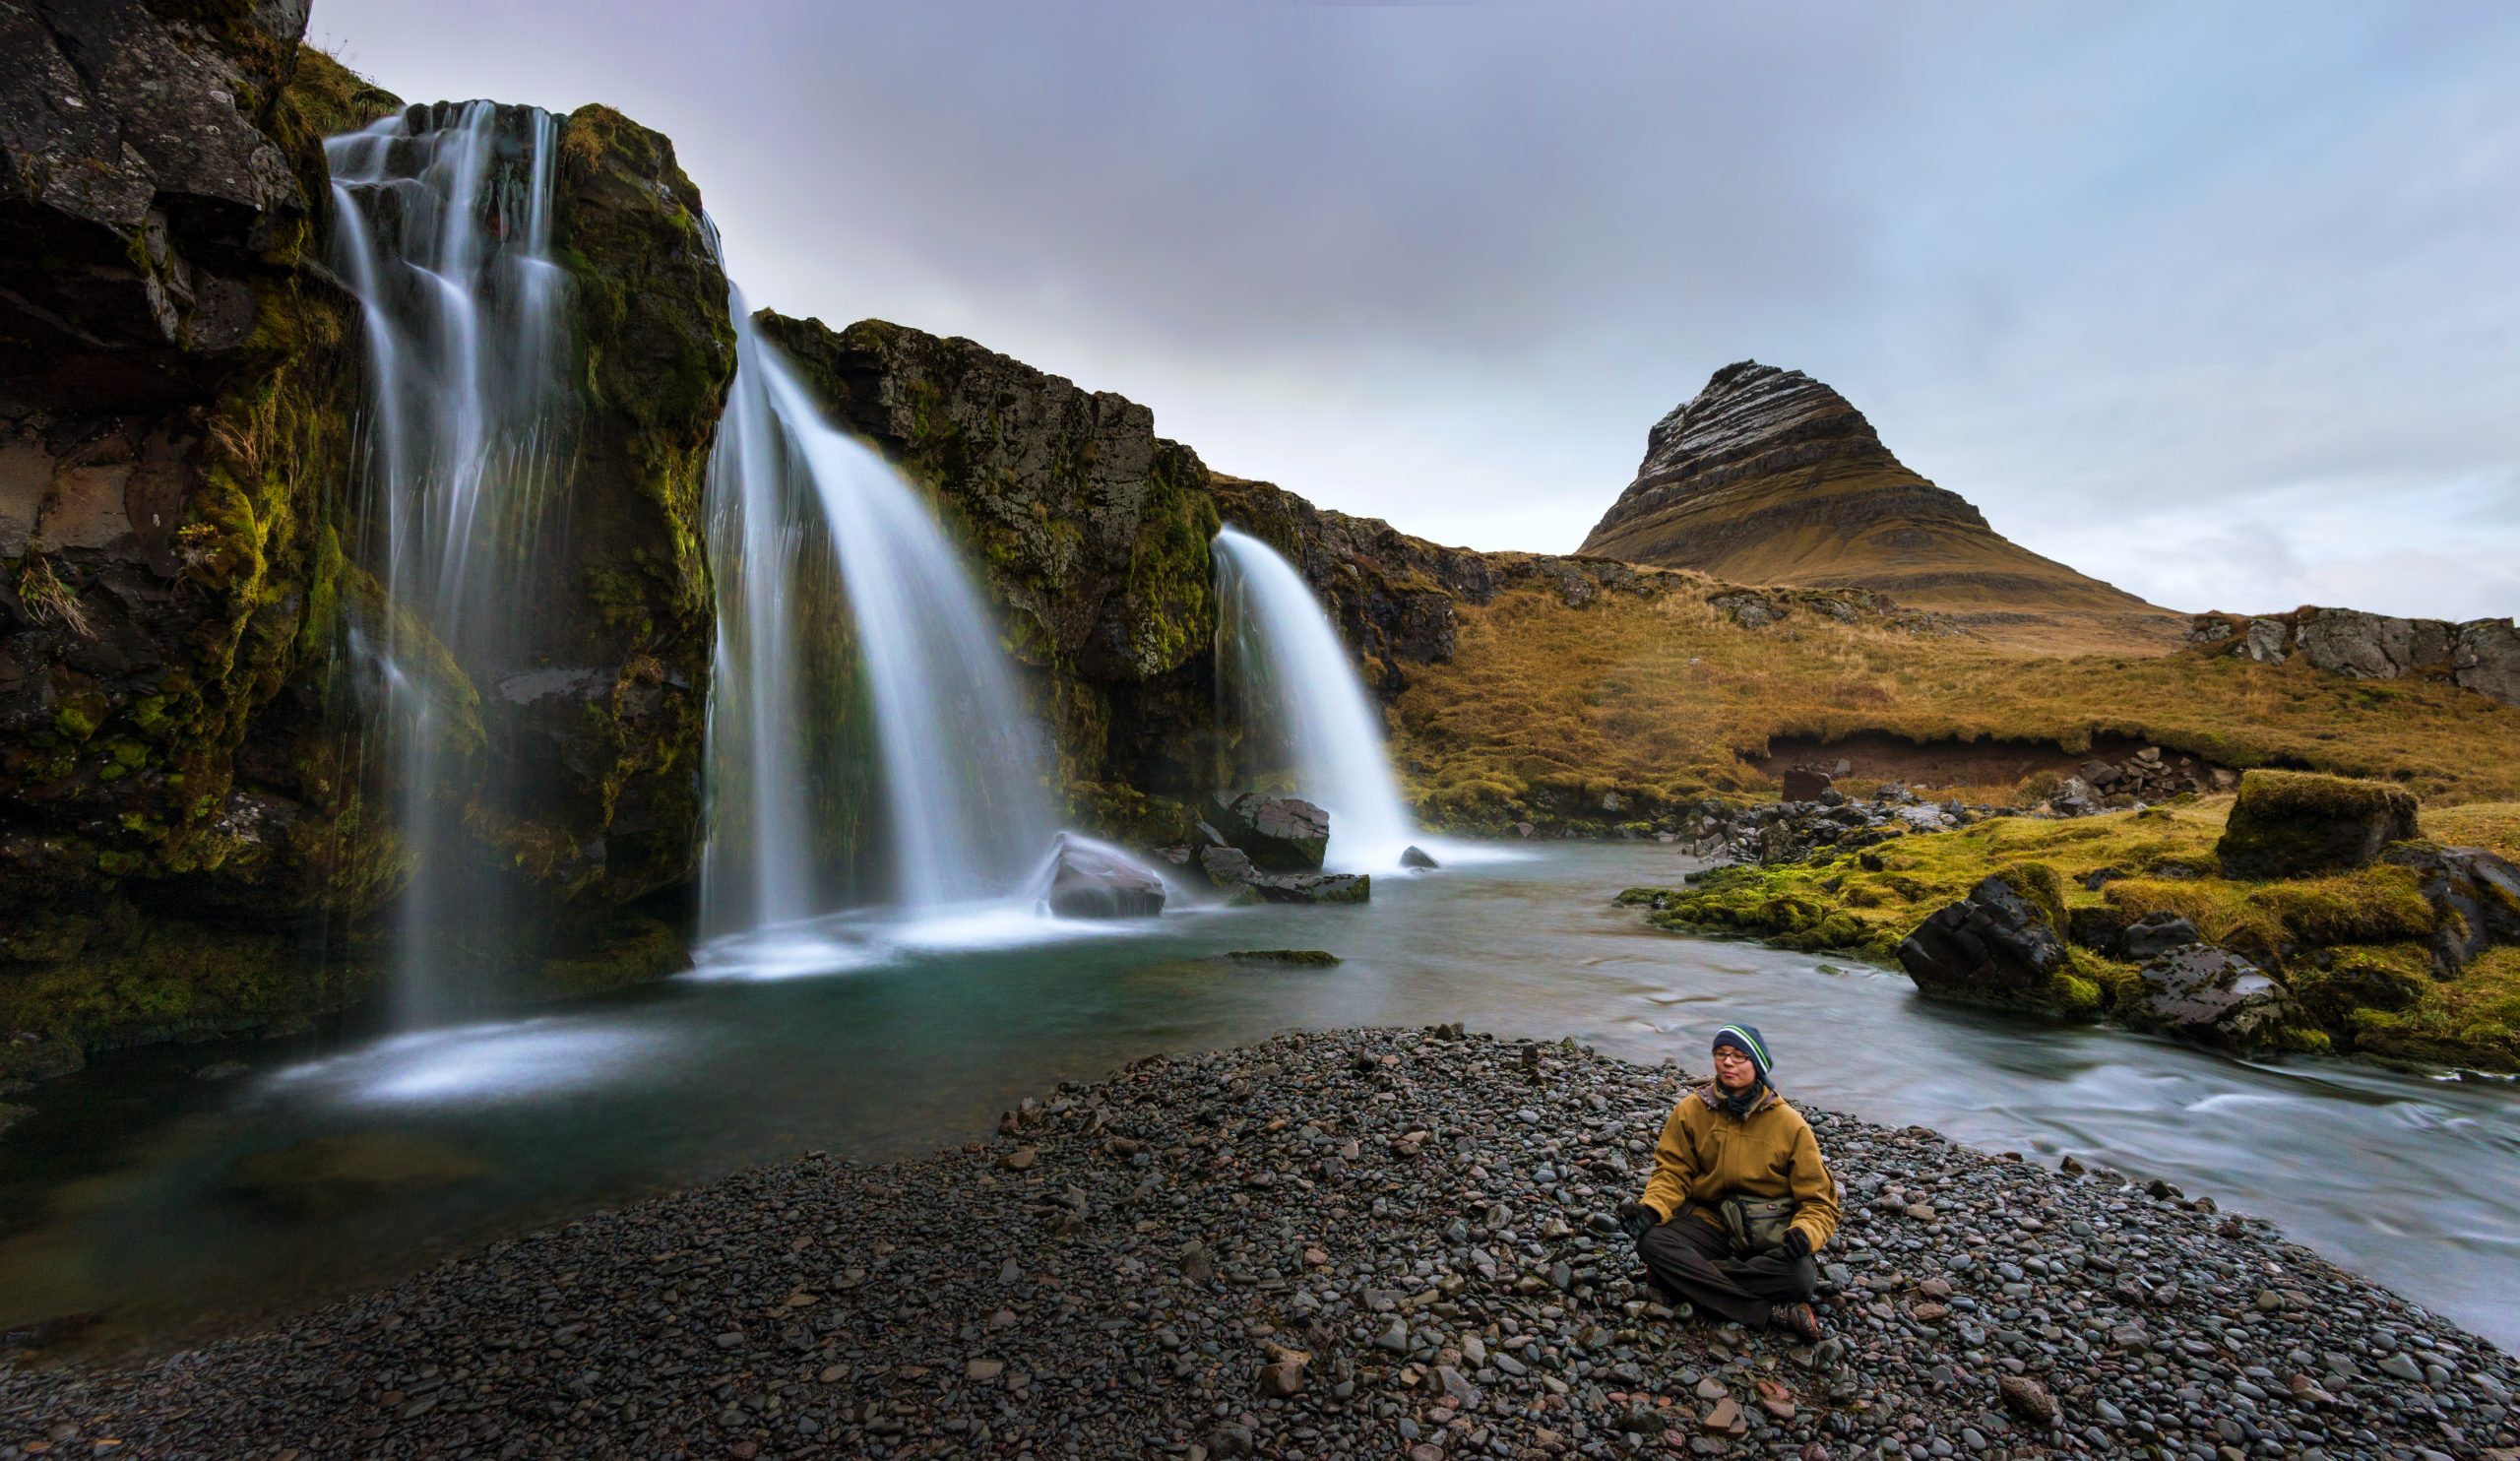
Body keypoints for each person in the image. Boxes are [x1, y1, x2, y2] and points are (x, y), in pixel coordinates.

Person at [1617, 1024, 1841, 1342]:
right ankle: (1770, 1312)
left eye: (1739, 1056)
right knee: (1650, 1242)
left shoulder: (1790, 1125)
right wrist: (1652, 1209)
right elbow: (1672, 1172)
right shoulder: (1692, 1111)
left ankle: (1681, 1277)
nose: (1728, 1063)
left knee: (1800, 1278)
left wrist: (1805, 1234)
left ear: (1758, 1065)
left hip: (1768, 1234)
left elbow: (1819, 1201)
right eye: (1721, 1054)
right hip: (1711, 1225)